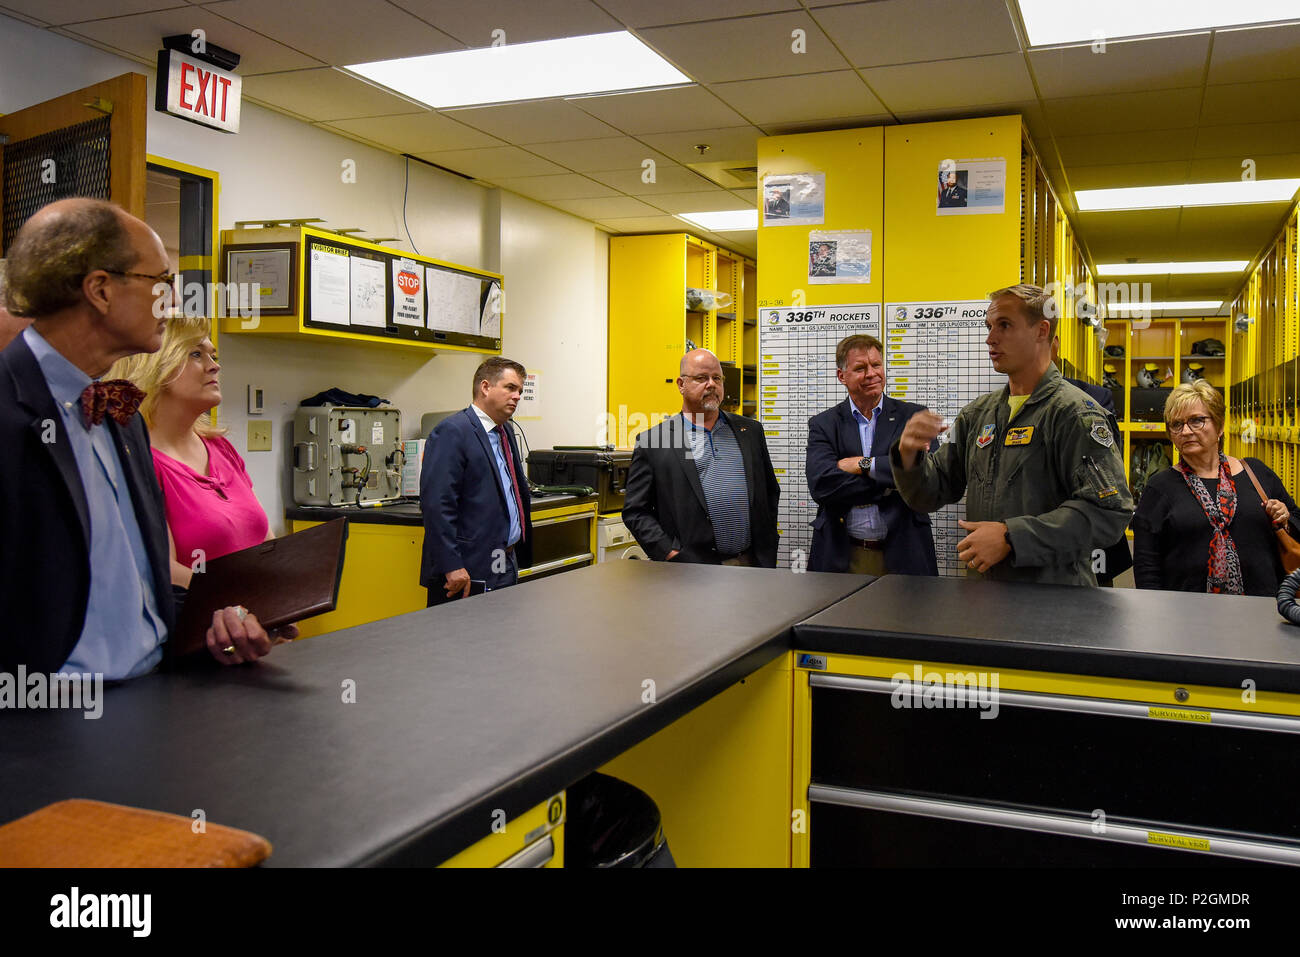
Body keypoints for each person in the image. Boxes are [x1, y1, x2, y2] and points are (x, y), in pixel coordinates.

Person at [0, 198, 277, 676]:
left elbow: (141, 578)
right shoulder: (8, 409)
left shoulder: (122, 413)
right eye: (161, 283)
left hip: (155, 694)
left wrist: (220, 618)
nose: (173, 302)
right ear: (101, 290)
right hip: (45, 720)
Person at [892, 283, 1134, 585]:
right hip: (986, 600)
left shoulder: (1075, 413)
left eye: (1004, 325)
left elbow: (1109, 510)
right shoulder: (977, 414)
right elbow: (931, 491)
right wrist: (908, 455)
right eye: (989, 326)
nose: (990, 338)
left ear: (1041, 331)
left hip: (1054, 605)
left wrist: (1012, 536)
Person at [110, 317, 299, 653]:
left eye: (214, 356)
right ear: (156, 366)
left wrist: (286, 594)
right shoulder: (140, 461)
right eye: (196, 355)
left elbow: (263, 537)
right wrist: (248, 604)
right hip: (200, 645)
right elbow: (162, 569)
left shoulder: (220, 448)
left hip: (257, 637)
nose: (214, 367)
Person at [1132, 380, 1300, 595]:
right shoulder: (1160, 488)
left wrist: (1285, 518)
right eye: (1176, 424)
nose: (1186, 431)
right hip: (1186, 615)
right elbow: (1147, 565)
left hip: (1262, 610)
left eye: (1197, 421)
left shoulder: (1256, 473)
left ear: (1219, 426)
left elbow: (1296, 519)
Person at [623, 348, 780, 567]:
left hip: (751, 565)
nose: (712, 384)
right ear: (681, 384)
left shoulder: (750, 431)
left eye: (717, 378)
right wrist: (669, 552)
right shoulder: (654, 442)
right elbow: (635, 512)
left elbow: (770, 492)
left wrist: (768, 543)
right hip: (691, 570)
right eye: (701, 378)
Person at [806, 334, 937, 576]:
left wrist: (863, 464)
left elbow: (926, 478)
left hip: (905, 553)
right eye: (860, 368)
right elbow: (822, 485)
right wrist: (891, 482)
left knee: (908, 615)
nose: (871, 373)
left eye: (876, 365)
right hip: (842, 555)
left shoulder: (914, 417)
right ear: (841, 376)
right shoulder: (823, 424)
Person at [420, 356, 533, 606]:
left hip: (504, 558)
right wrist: (451, 565)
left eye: (520, 391)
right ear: (485, 387)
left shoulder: (505, 431)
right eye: (510, 388)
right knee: (465, 641)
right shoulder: (453, 432)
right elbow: (437, 505)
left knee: (502, 635)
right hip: (466, 568)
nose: (517, 396)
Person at [1052, 334, 1132, 586]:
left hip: (1086, 528)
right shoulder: (998, 404)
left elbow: (1101, 467)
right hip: (1037, 546)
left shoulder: (1091, 396)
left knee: (1098, 607)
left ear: (1053, 344)